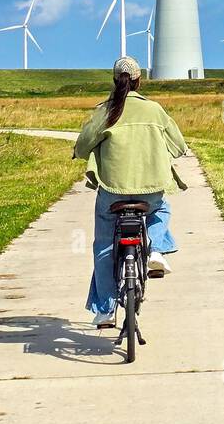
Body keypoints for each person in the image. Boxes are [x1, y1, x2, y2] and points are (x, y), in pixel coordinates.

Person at [73, 55, 189, 328]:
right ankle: (156, 251)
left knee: (104, 247)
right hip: (150, 191)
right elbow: (178, 145)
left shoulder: (106, 111)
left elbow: (83, 145)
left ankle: (106, 310)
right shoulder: (155, 110)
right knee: (161, 209)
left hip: (112, 192)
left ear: (115, 80)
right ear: (139, 80)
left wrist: (80, 152)